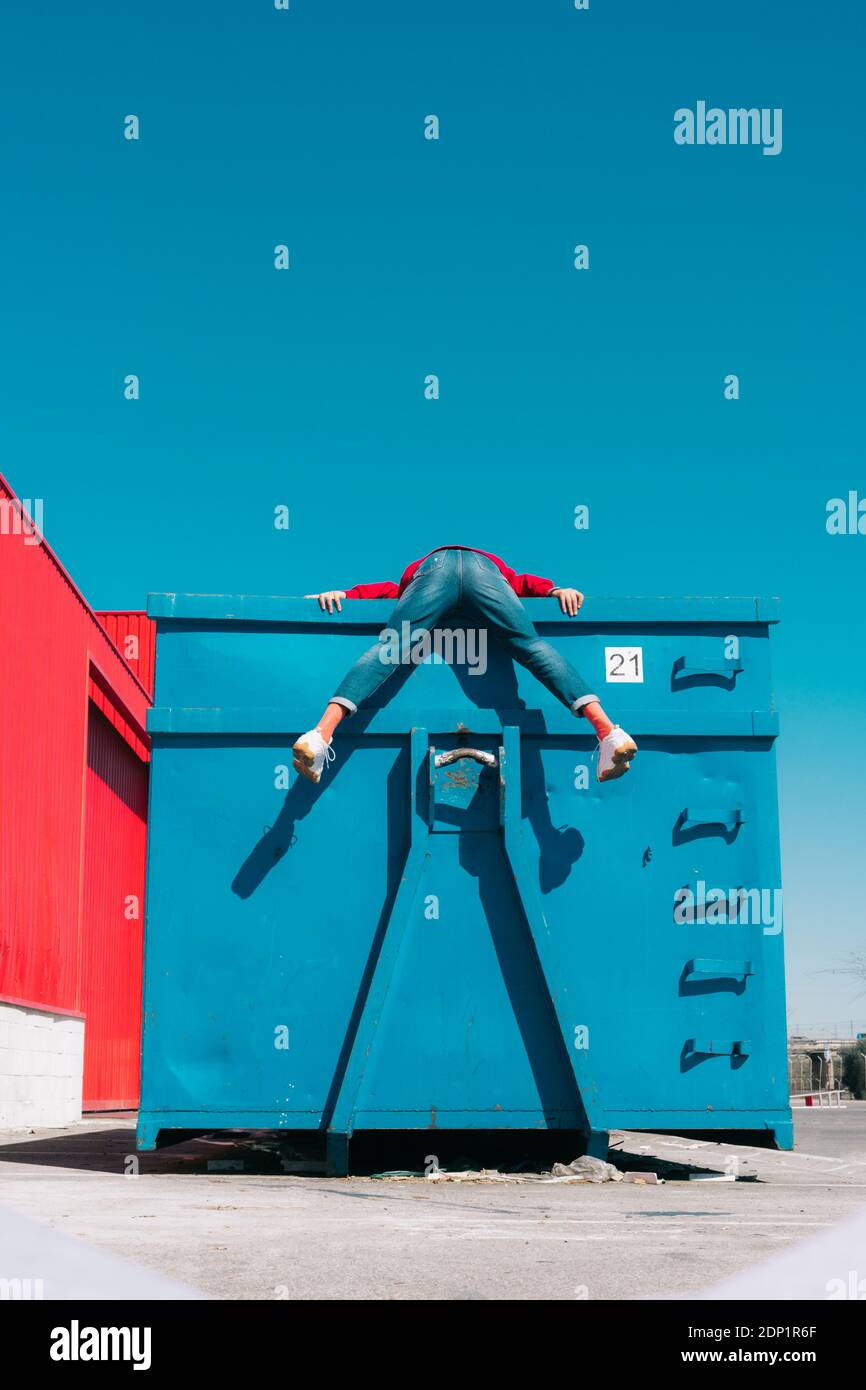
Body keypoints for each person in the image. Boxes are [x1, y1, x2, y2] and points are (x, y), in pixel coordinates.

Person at [292, 545, 637, 785]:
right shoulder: (496, 567)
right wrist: (554, 590)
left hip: (431, 570)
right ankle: (608, 732)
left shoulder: (413, 578)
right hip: (486, 571)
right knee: (530, 645)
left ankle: (320, 735)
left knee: (392, 647)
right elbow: (522, 584)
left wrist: (344, 595)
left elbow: (385, 592)